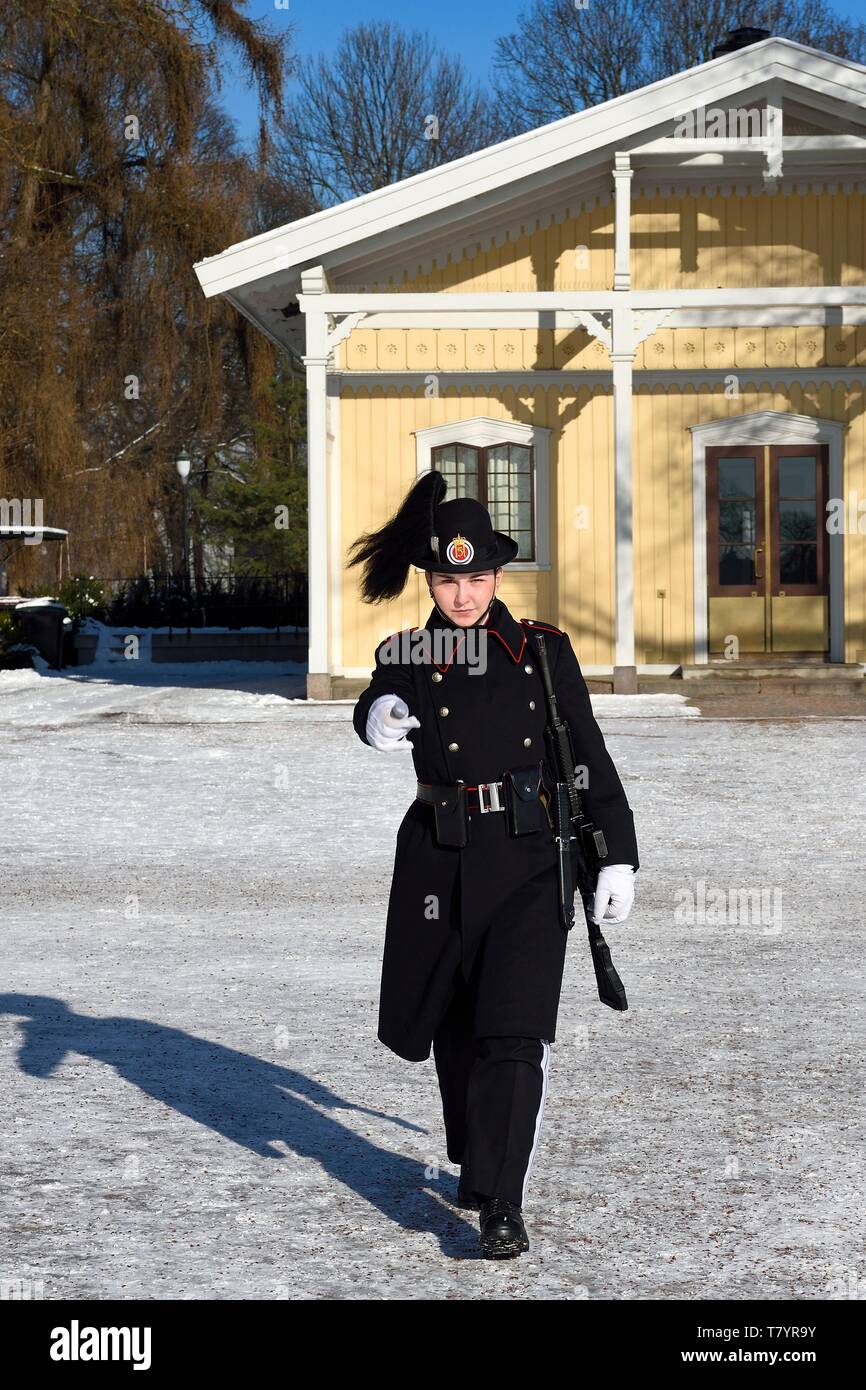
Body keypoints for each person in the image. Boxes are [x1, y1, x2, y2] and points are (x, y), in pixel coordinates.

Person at [347, 469, 638, 1259]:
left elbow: (586, 756)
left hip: (529, 859)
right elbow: (375, 692)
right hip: (439, 860)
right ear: (431, 580)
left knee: (514, 1031)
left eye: (476, 578)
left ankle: (502, 1201)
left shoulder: (543, 652)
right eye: (448, 579)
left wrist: (615, 855)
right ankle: (477, 1163)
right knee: (454, 1025)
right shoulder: (408, 651)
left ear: (497, 576)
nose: (463, 594)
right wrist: (375, 713)